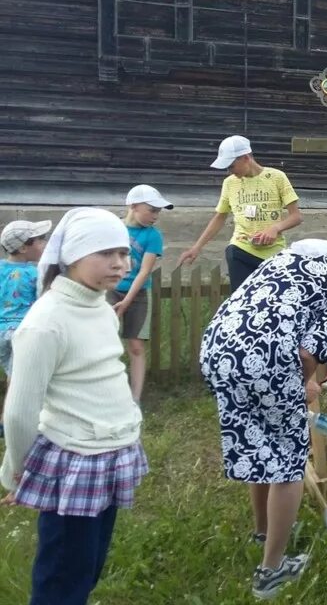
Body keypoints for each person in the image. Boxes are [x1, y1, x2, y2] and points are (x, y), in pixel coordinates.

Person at [199, 228, 327, 600]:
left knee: (259, 444)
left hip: (220, 349)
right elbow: (308, 353)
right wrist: (305, 384)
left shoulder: (297, 256)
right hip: (267, 361)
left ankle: (262, 531)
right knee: (288, 462)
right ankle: (271, 572)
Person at [1, 208, 147, 605]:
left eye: (123, 253)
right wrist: (16, 469)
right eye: (105, 253)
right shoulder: (45, 323)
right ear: (72, 255)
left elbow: (105, 372)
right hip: (74, 461)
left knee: (89, 564)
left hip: (111, 452)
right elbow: (19, 410)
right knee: (62, 577)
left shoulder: (100, 306)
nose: (119, 264)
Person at [179, 135, 303, 291]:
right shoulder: (229, 183)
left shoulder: (277, 177)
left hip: (274, 252)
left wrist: (275, 228)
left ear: (245, 158)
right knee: (242, 300)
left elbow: (296, 217)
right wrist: (197, 247)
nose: (229, 171)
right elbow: (220, 216)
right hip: (241, 247)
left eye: (231, 166)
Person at [107, 185, 173, 403]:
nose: (156, 216)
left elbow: (144, 271)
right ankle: (105, 392)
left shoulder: (153, 236)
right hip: (109, 292)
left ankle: (134, 398)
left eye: (158, 212)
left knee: (135, 345)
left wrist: (126, 301)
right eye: (152, 210)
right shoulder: (114, 229)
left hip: (137, 295)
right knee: (105, 342)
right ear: (134, 206)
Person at [0, 220, 52, 380]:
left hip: (1, 330)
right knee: (20, 377)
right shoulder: (34, 273)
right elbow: (43, 302)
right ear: (23, 248)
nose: (45, 243)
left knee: (11, 371)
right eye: (40, 240)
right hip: (23, 330)